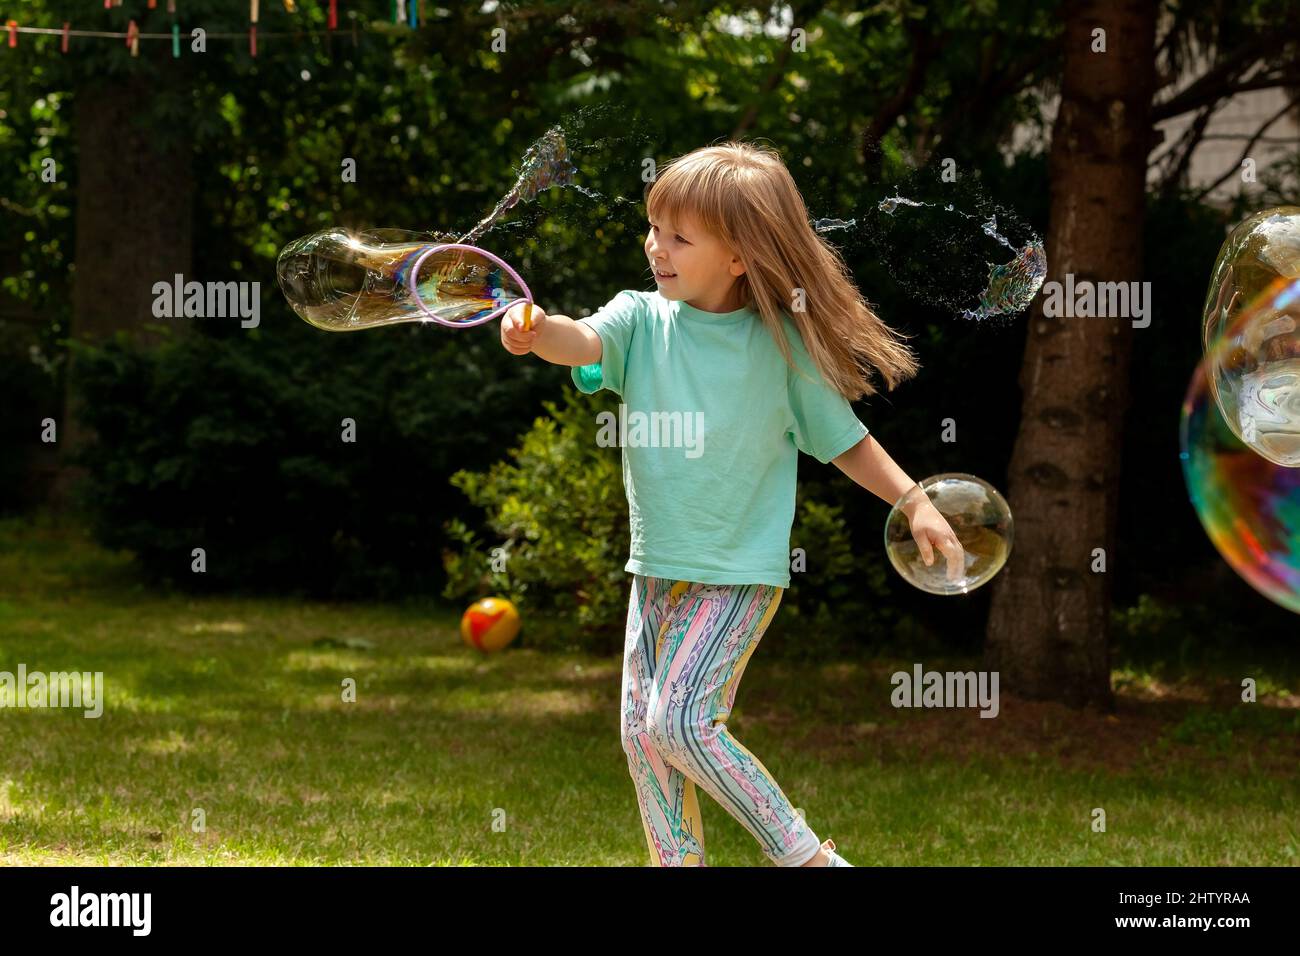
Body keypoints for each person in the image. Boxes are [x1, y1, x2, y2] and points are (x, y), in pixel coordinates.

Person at [498, 141, 963, 867]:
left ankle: (810, 861)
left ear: (742, 255)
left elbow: (846, 441)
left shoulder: (781, 349)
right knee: (642, 735)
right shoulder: (639, 320)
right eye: (655, 228)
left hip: (738, 575)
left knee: (681, 724)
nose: (658, 247)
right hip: (654, 572)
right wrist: (534, 330)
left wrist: (914, 500)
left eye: (680, 236)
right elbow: (579, 340)